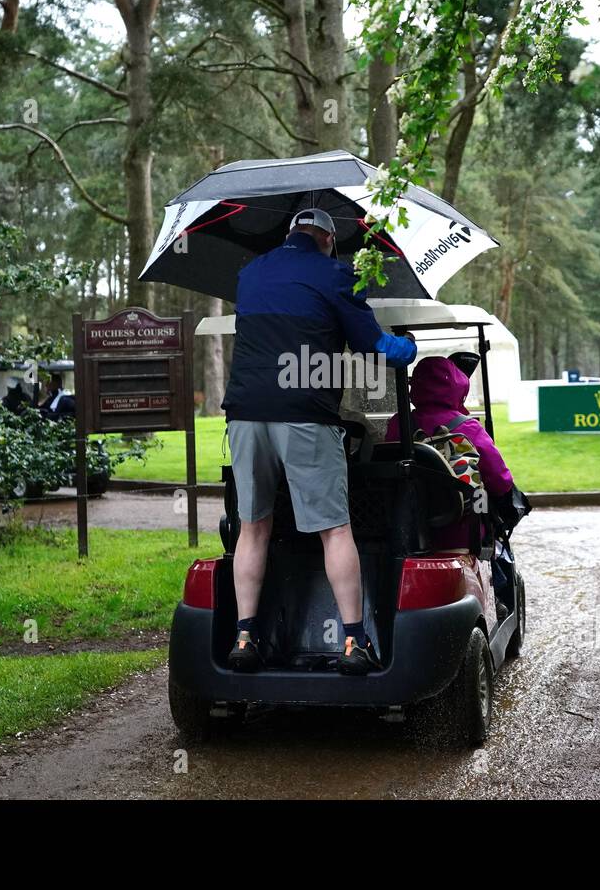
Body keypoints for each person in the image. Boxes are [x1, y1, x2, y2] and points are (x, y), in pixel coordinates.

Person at [222, 208, 418, 675]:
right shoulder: (338, 274)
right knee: (334, 528)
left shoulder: (250, 273)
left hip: (244, 412)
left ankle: (244, 638)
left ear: (290, 233)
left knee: (253, 527)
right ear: (329, 240)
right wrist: (407, 347)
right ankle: (354, 643)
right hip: (304, 413)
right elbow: (374, 345)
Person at [385, 355, 521, 615]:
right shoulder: (467, 427)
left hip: (408, 526)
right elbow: (501, 481)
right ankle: (499, 596)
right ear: (458, 386)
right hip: (460, 529)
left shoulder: (398, 424)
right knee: (487, 508)